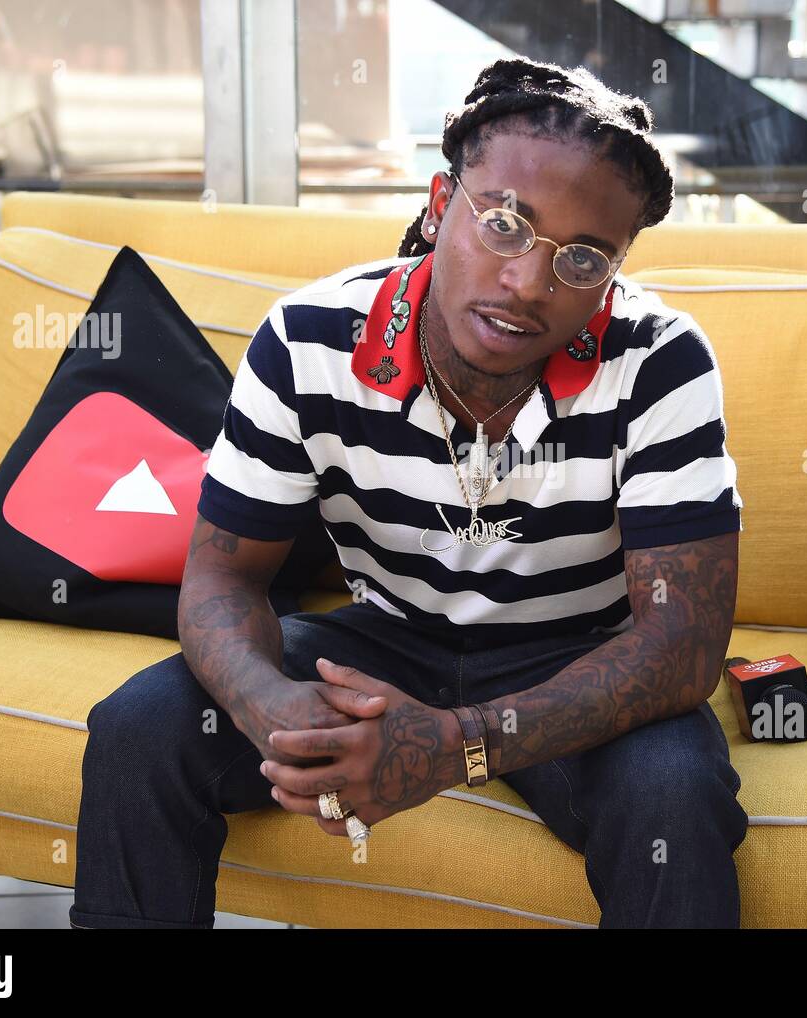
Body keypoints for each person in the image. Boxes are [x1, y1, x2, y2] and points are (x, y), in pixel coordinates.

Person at [69, 56, 748, 930]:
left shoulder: (659, 363)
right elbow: (222, 580)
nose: (528, 283)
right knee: (140, 729)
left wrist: (457, 745)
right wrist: (266, 705)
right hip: (387, 641)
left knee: (672, 791)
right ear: (440, 204)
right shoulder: (309, 340)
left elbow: (683, 649)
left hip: (580, 656)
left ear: (615, 266)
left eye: (582, 258)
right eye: (503, 223)